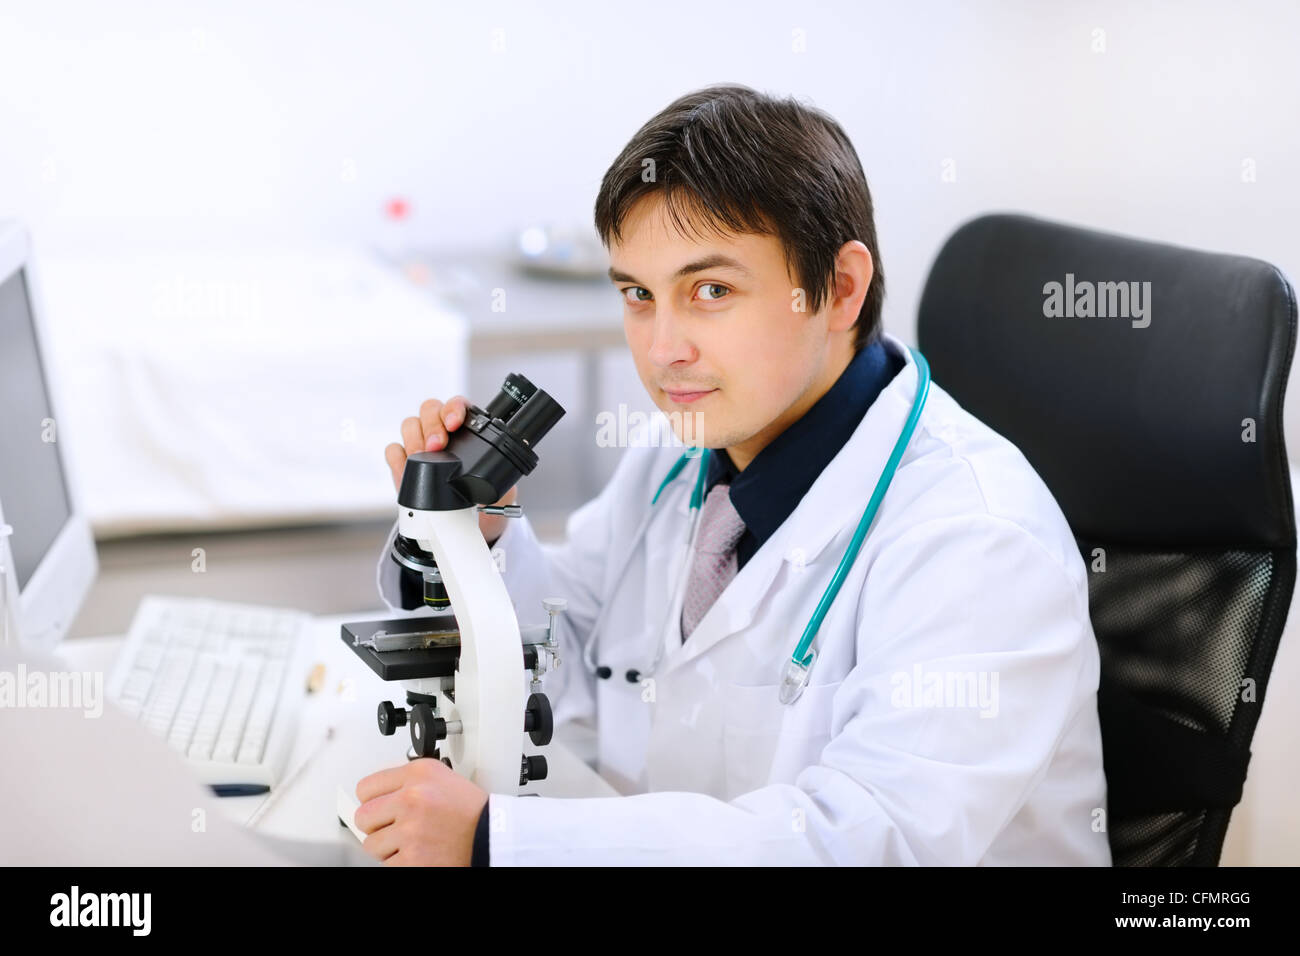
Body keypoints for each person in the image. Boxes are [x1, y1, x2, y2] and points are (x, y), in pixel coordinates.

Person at [354, 84, 1111, 866]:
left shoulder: (978, 540)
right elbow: (566, 655)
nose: (661, 349)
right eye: (640, 296)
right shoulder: (684, 449)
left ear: (840, 288)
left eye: (710, 291)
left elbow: (863, 844)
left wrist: (497, 841)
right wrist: (476, 538)